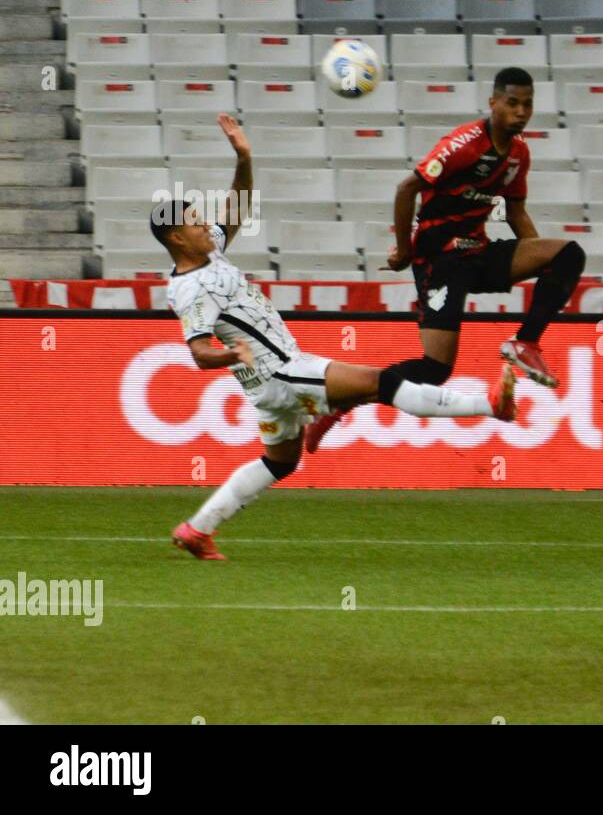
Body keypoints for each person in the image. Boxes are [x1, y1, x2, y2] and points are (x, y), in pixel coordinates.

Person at [152, 113, 516, 561]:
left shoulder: (209, 255)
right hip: (283, 374)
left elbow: (238, 207)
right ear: (176, 238)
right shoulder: (192, 288)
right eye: (194, 223)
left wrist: (243, 157)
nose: (206, 225)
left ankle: (197, 529)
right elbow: (198, 353)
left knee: (281, 462)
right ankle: (490, 405)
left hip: (270, 386)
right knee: (381, 384)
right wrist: (231, 354)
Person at [303, 67, 586, 454]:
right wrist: (404, 251)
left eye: (528, 105)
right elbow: (407, 189)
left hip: (480, 252)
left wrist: (539, 265)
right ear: (493, 103)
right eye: (513, 103)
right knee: (435, 370)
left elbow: (516, 212)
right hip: (441, 260)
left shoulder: (519, 153)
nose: (521, 112)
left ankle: (525, 343)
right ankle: (337, 403)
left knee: (568, 254)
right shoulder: (464, 144)